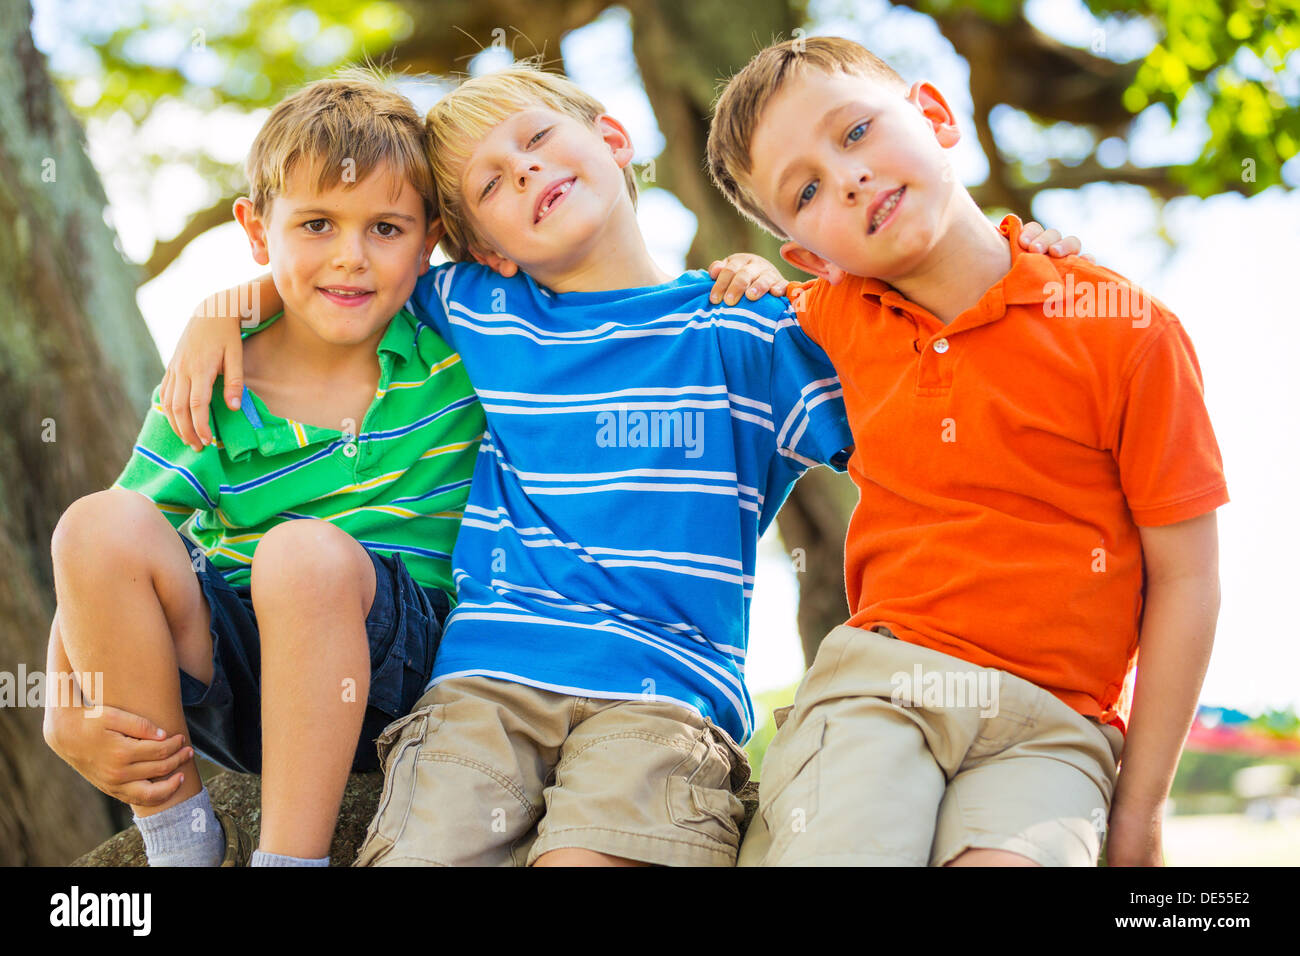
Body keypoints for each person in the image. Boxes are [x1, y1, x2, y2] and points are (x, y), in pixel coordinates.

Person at [165, 63, 1079, 867]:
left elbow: (918, 386)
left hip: (666, 699)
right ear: (484, 248)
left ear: (611, 138)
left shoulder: (751, 331)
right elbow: (341, 270)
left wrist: (1019, 264)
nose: (524, 168)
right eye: (491, 182)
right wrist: (226, 303)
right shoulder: (475, 310)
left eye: (537, 139)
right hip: (485, 681)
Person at [707, 35, 1228, 867]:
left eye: (855, 133)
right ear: (809, 257)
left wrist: (1144, 810)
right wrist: (743, 273)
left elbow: (1188, 578)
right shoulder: (827, 322)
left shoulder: (1128, 331)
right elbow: (697, 329)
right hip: (880, 691)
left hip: (1055, 727)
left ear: (938, 117)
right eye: (806, 191)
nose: (847, 177)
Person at [43, 73, 485, 867]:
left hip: (401, 672)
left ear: (429, 242)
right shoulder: (213, 386)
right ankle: (179, 840)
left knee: (300, 552)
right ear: (256, 230)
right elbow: (101, 552)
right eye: (316, 223)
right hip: (246, 685)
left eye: (385, 228)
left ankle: (290, 861)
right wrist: (61, 697)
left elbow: (580, 282)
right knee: (95, 521)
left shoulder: (458, 339)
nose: (350, 258)